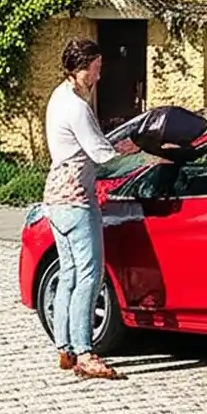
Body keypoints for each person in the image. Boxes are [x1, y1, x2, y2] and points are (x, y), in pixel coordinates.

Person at [42, 37, 141, 380]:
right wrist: (131, 150)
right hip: (76, 198)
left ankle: (65, 347)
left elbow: (87, 145)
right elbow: (100, 154)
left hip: (55, 195)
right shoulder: (77, 107)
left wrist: (113, 143)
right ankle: (85, 352)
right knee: (90, 275)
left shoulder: (58, 97)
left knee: (69, 274)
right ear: (80, 69)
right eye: (95, 69)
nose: (98, 76)